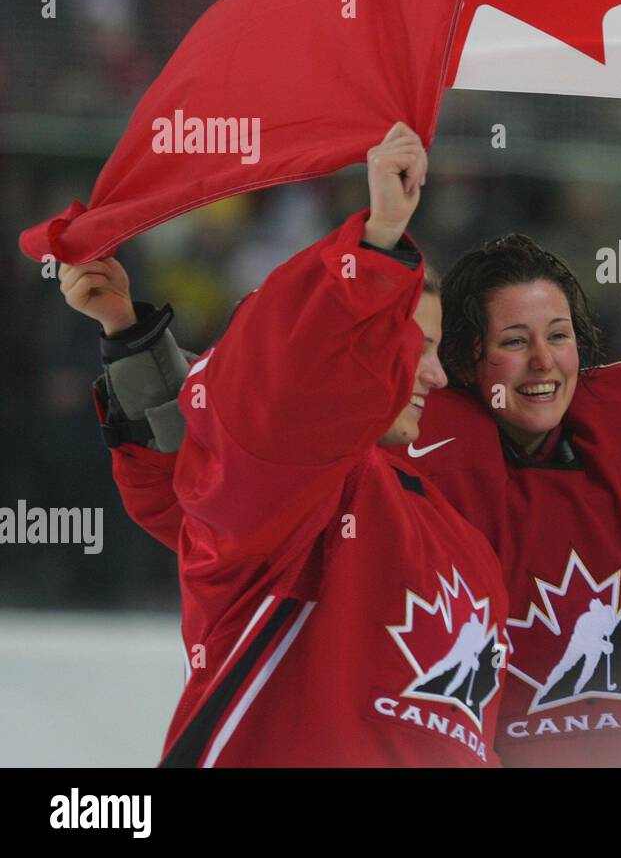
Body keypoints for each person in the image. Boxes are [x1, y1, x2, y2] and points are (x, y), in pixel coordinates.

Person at [78, 80, 621, 766]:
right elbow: (229, 460)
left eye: (560, 336)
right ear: (464, 362)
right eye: (513, 341)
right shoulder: (381, 467)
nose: (544, 363)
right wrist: (374, 243)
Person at [61, 124, 511, 766]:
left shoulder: (464, 542)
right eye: (421, 348)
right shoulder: (308, 489)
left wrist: (130, 336)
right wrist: (378, 240)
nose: (437, 376)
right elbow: (266, 420)